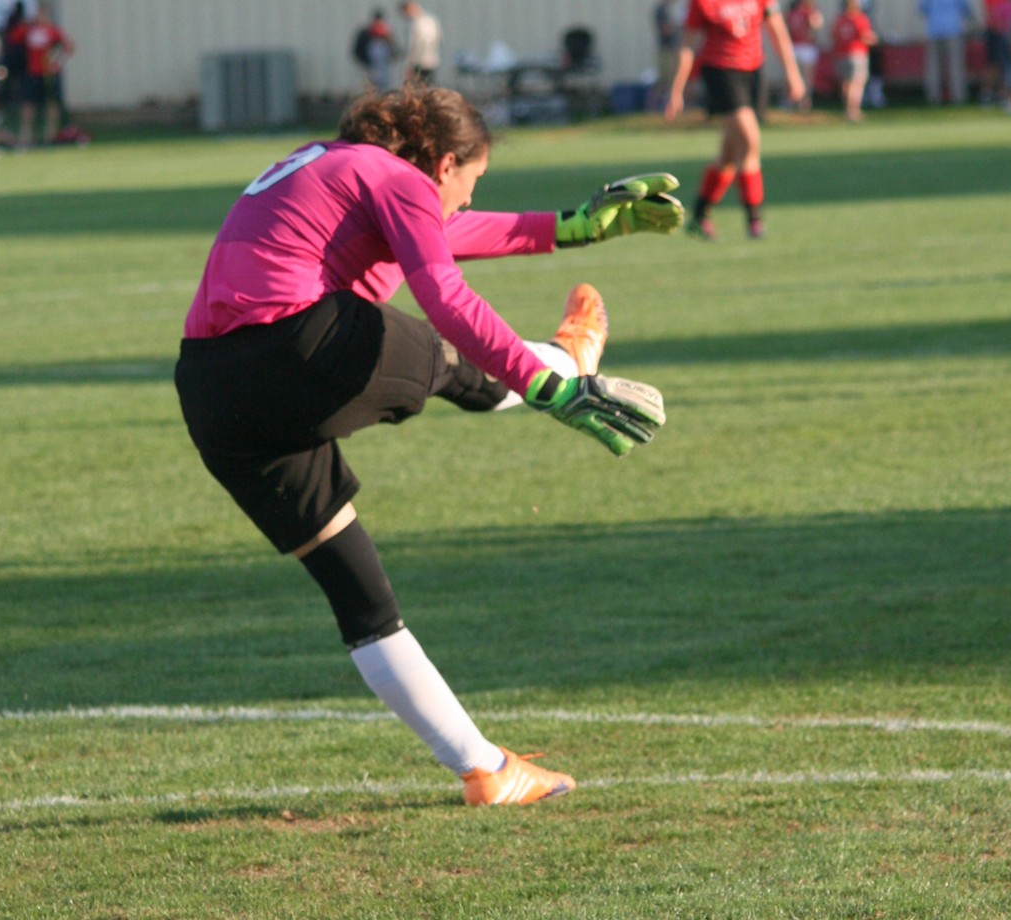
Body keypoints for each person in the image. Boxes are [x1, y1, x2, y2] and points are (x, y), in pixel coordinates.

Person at [174, 85, 683, 805]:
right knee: (440, 351)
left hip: (211, 392)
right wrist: (549, 389)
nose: (467, 202)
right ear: (442, 164)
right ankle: (567, 363)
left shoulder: (336, 164)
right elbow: (444, 286)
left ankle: (484, 770)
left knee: (361, 597)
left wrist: (571, 228)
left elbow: (443, 232)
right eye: (470, 185)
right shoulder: (397, 179)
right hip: (294, 346)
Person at [664, 0, 805, 240]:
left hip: (754, 70)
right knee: (750, 142)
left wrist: (792, 74)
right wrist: (676, 90)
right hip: (720, 72)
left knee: (729, 155)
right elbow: (688, 45)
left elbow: (777, 30)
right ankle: (755, 219)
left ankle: (700, 215)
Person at [9, 3, 75, 146]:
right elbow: (13, 38)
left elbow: (69, 47)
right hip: (32, 72)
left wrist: (58, 62)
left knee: (52, 103)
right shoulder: (29, 30)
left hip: (49, 73)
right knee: (28, 104)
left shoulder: (53, 31)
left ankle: (50, 133)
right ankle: (26, 135)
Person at [917, 0, 975, 105]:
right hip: (953, 29)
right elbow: (967, 8)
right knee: (955, 65)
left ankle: (933, 97)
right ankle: (958, 97)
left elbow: (922, 8)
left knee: (933, 66)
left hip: (934, 30)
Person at [830, 0, 877, 122]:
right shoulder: (859, 19)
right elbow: (865, 36)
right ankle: (853, 110)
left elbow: (833, 36)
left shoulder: (839, 19)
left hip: (842, 54)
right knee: (857, 83)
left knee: (846, 84)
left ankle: (848, 109)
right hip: (857, 54)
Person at [981, 0, 1011, 106]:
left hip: (1006, 34)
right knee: (994, 66)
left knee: (1006, 66)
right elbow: (993, 15)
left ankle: (1003, 95)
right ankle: (987, 94)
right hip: (995, 33)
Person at [783, 0, 824, 110]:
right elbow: (816, 26)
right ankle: (801, 102)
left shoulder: (793, 12)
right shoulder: (808, 12)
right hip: (803, 46)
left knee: (798, 75)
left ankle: (798, 101)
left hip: (798, 46)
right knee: (804, 76)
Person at [651, 0, 682, 108]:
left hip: (671, 48)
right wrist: (679, 27)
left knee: (671, 79)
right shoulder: (662, 9)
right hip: (666, 49)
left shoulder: (668, 9)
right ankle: (652, 107)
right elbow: (665, 29)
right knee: (665, 80)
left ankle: (667, 106)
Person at [398, 0, 442, 85]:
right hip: (431, 60)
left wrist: (410, 64)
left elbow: (416, 45)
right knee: (428, 86)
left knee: (419, 88)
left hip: (419, 62)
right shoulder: (430, 20)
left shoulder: (418, 22)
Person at [349, 10, 396, 92]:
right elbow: (358, 49)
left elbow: (392, 49)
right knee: (371, 82)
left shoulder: (386, 33)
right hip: (369, 65)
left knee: (383, 82)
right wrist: (364, 61)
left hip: (382, 65)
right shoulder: (366, 33)